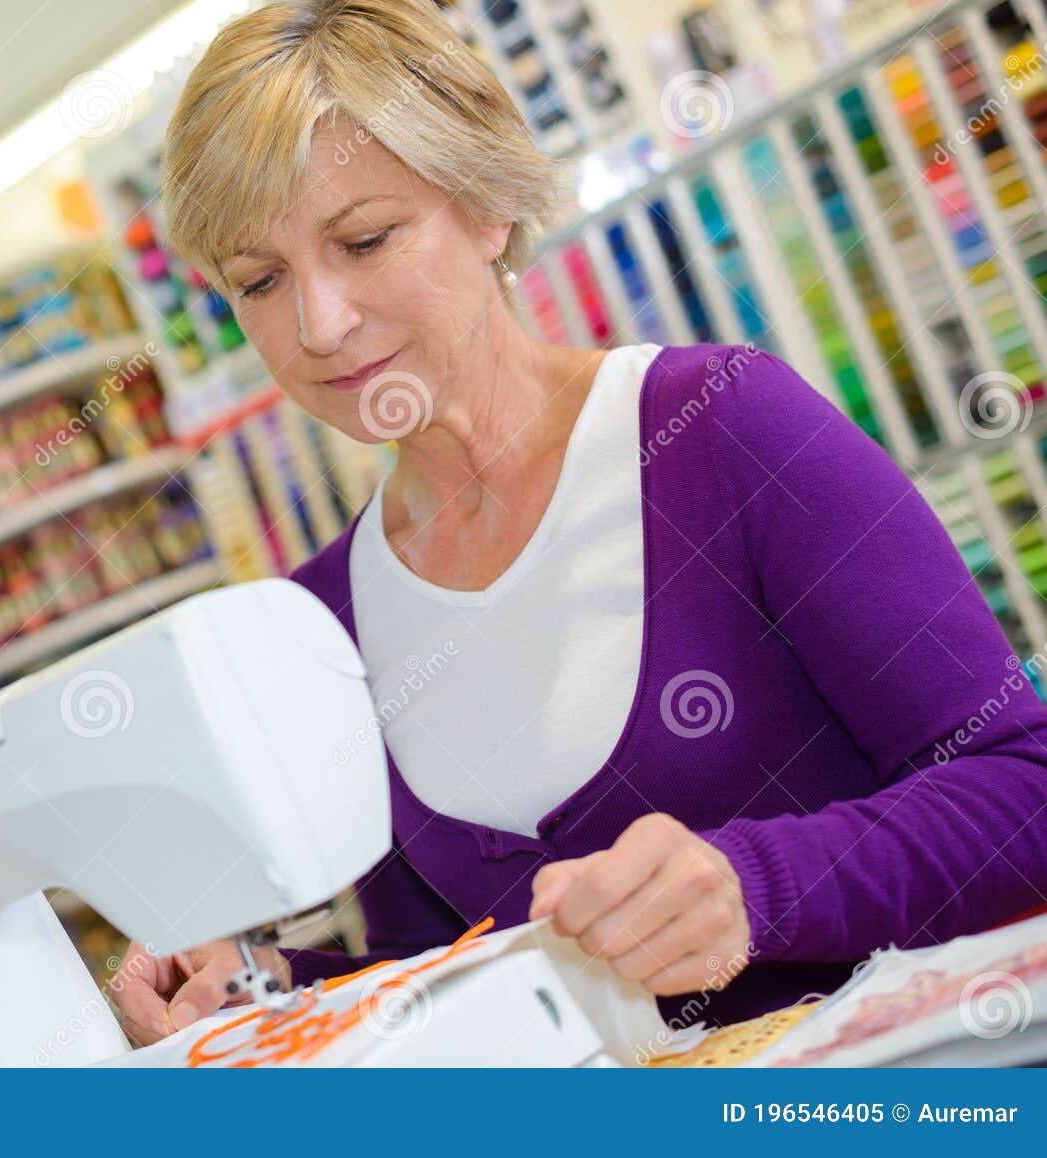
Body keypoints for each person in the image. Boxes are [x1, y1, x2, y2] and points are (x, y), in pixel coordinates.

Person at [110, 0, 1047, 1046]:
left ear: (487, 206)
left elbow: (1023, 788)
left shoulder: (720, 431)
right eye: (260, 281)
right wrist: (270, 990)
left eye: (364, 240)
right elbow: (462, 984)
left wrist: (755, 888)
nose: (318, 324)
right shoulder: (318, 624)